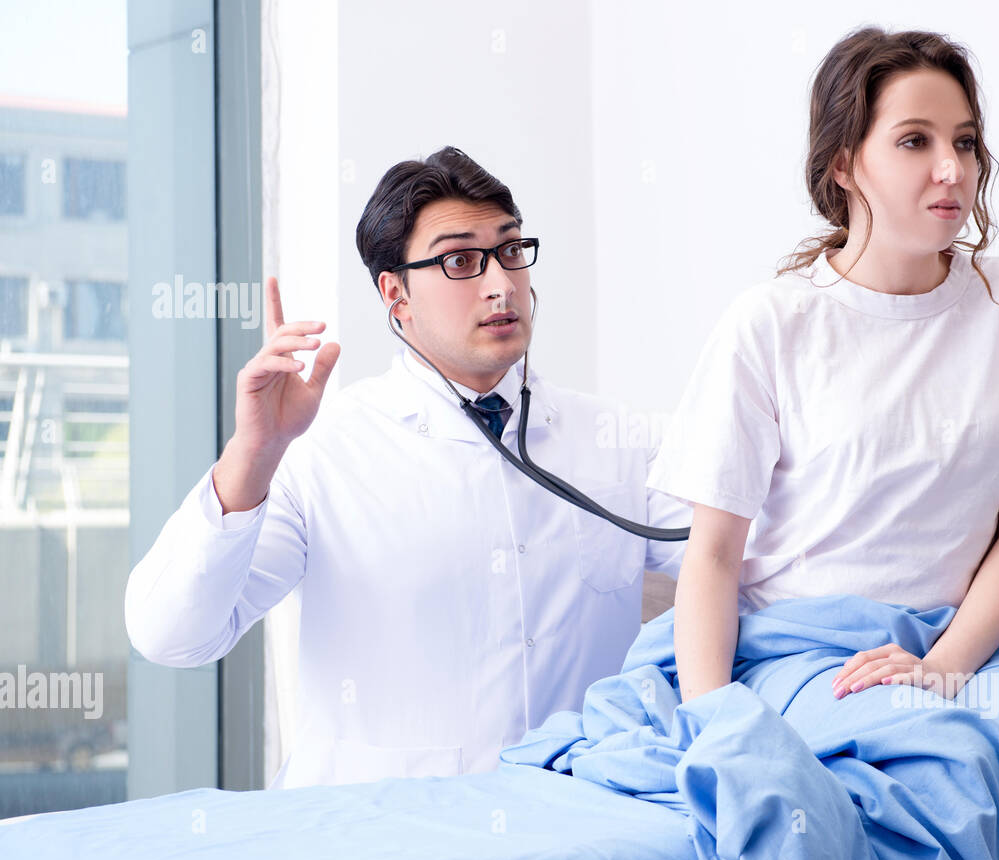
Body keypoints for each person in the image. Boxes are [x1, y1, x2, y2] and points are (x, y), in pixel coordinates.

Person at [125, 146, 688, 787]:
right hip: (375, 837)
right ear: (396, 294)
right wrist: (253, 452)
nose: (501, 284)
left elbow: (743, 554)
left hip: (573, 831)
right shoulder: (321, 452)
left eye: (509, 250)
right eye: (459, 261)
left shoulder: (615, 438)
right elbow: (172, 635)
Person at [646, 27, 999, 703]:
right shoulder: (771, 323)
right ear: (843, 163)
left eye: (964, 141)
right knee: (930, 771)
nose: (952, 169)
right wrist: (713, 722)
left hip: (960, 646)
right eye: (914, 141)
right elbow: (715, 555)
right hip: (802, 649)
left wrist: (944, 667)